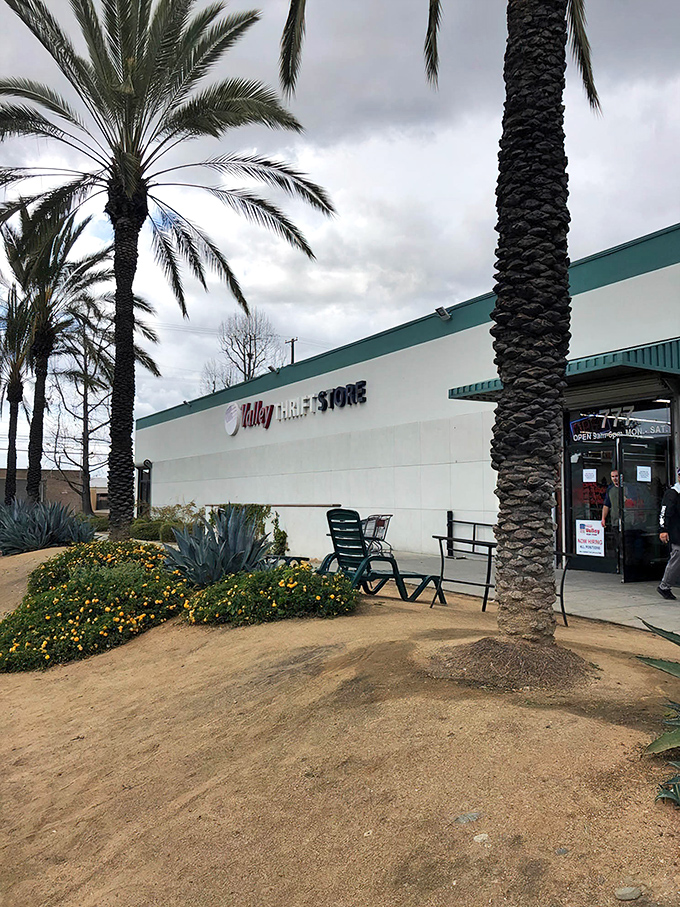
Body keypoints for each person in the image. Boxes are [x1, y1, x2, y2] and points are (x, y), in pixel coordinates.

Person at [658, 467, 680, 600]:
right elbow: (664, 512)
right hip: (676, 532)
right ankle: (664, 586)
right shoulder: (673, 493)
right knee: (677, 558)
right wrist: (663, 529)